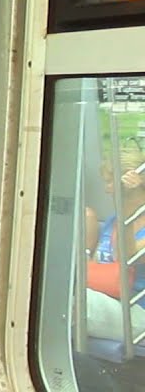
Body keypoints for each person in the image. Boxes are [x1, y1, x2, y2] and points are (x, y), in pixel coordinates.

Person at [83, 145, 145, 342]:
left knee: (71, 302)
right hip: (106, 298)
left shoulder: (126, 220)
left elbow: (126, 257)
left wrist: (127, 201)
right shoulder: (112, 221)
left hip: (136, 311)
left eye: (110, 182)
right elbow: (97, 267)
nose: (106, 189)